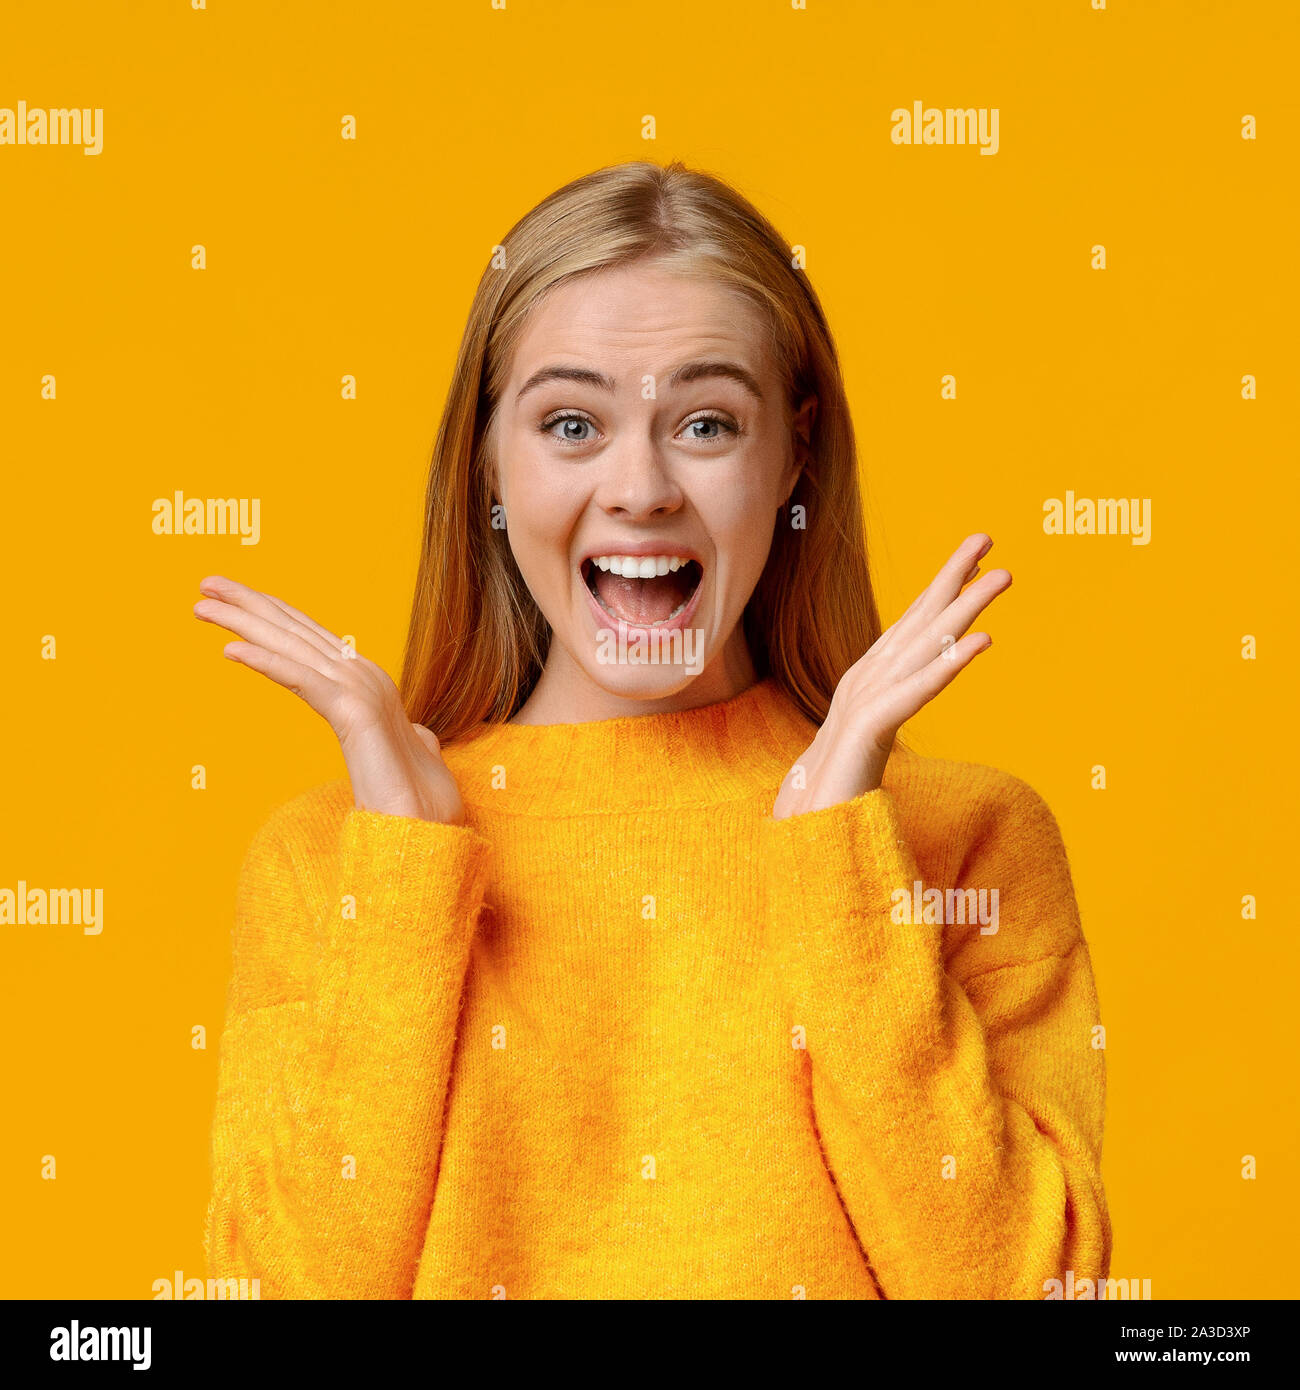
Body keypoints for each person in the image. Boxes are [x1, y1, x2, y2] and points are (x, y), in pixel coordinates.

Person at [196, 159, 1110, 1299]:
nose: (639, 487)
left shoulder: (961, 836)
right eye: (571, 422)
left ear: (795, 457)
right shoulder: (331, 858)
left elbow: (1032, 1295)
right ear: (488, 461)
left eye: (707, 422)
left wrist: (836, 860)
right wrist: (401, 884)